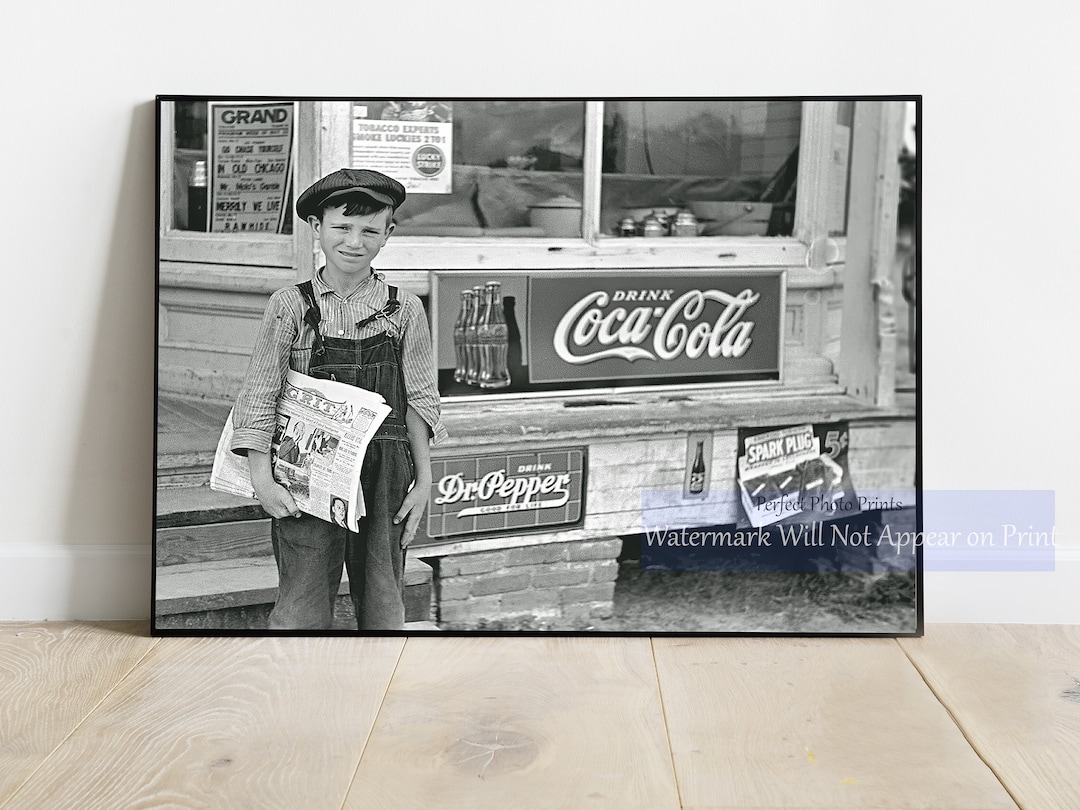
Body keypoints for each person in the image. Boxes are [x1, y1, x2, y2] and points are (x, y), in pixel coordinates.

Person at [231, 168, 447, 631]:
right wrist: (262, 479)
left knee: (384, 600)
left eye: (370, 230)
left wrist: (423, 481)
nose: (354, 241)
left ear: (388, 234)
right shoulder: (291, 305)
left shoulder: (404, 309)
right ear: (317, 227)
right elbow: (260, 394)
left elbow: (420, 400)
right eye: (342, 227)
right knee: (302, 602)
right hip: (306, 473)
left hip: (386, 472)